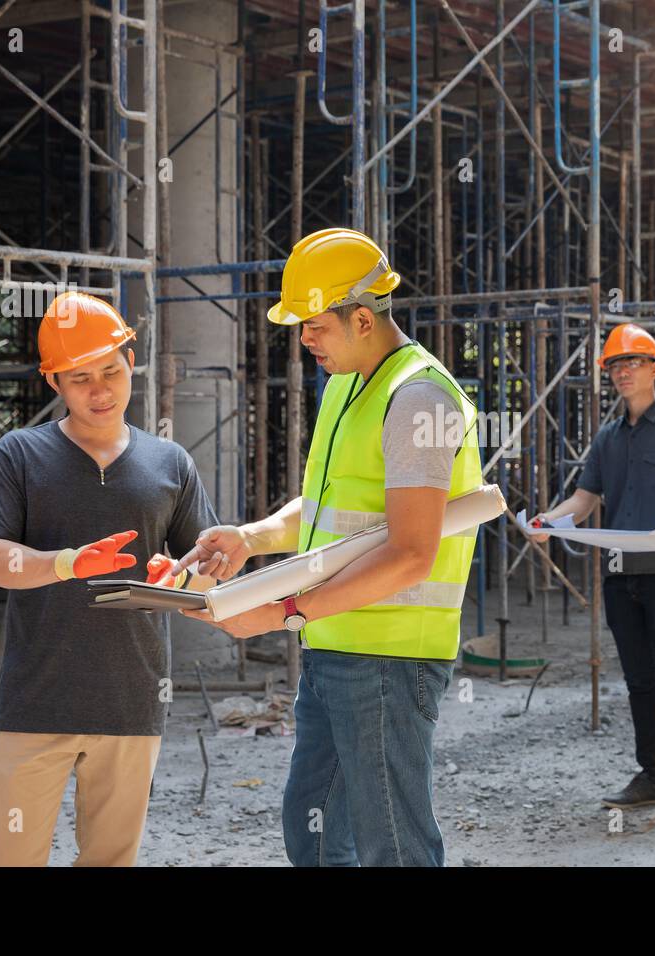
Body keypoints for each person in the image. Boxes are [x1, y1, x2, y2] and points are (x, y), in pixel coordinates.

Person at [179, 227, 479, 866]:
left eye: (314, 324)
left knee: (392, 845)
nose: (304, 338)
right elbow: (324, 511)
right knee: (314, 838)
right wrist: (252, 538)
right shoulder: (349, 383)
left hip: (389, 659)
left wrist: (285, 612)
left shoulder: (418, 398)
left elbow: (410, 555)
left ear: (363, 317)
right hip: (336, 645)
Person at [0, 291, 218, 865]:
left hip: (132, 703)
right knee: (11, 856)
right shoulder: (20, 455)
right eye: (79, 378)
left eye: (111, 369)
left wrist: (176, 579)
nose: (100, 390)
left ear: (131, 360)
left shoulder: (170, 463)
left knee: (110, 860)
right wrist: (66, 563)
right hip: (36, 703)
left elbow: (207, 570)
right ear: (53, 380)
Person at [532, 322, 655, 827]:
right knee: (639, 682)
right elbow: (585, 498)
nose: (622, 372)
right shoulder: (608, 438)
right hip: (620, 576)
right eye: (614, 365)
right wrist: (548, 520)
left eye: (632, 362)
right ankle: (652, 779)